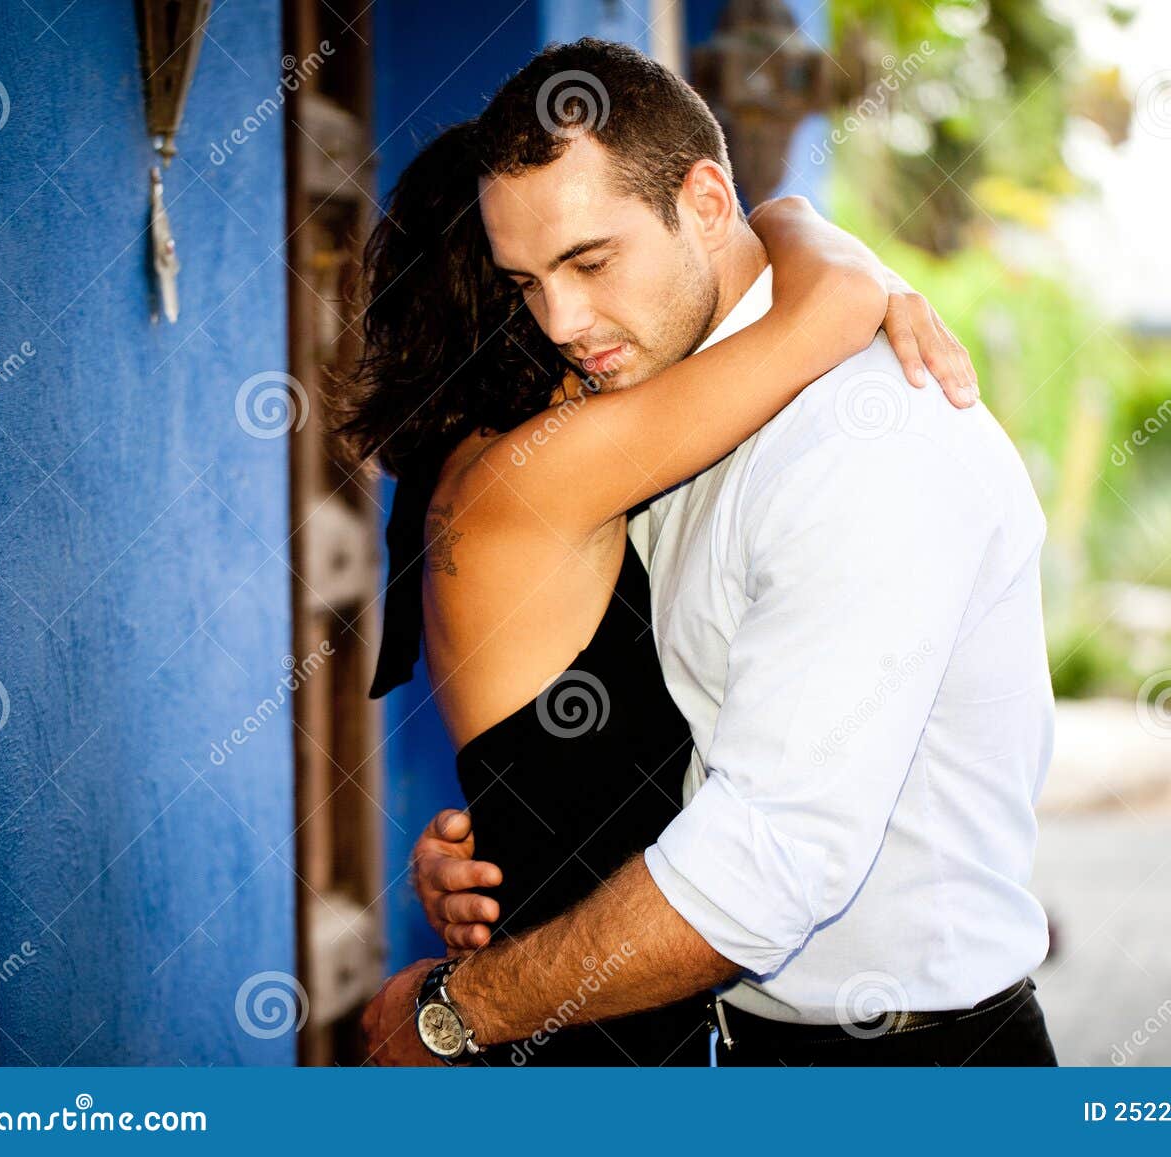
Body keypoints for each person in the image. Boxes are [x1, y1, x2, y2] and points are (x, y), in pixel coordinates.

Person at [360, 38, 1058, 1068]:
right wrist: (504, 842)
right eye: (525, 284)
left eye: (590, 261)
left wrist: (457, 1009)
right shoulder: (650, 409)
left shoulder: (860, 441)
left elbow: (764, 865)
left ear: (705, 202)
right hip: (724, 1041)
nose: (561, 321)